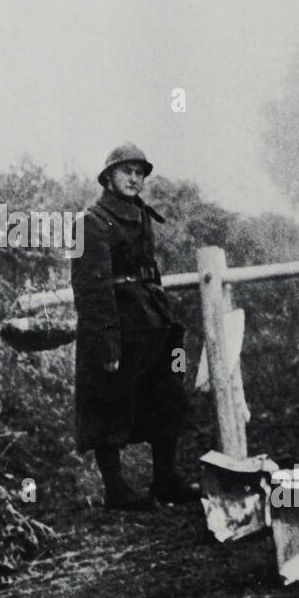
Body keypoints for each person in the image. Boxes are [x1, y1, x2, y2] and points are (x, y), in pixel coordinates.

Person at [71, 143, 196, 510]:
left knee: (168, 395)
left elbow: (149, 272)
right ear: (108, 176)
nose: (134, 178)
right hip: (117, 327)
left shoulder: (142, 216)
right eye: (126, 170)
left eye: (140, 172)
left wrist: (164, 314)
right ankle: (116, 490)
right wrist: (106, 343)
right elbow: (90, 289)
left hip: (154, 323)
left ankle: (165, 480)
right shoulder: (89, 223)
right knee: (107, 403)